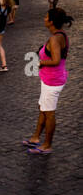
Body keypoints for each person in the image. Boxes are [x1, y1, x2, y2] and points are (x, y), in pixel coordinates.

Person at [24, 9, 72, 156]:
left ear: (51, 22)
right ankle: (36, 137)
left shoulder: (55, 39)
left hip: (53, 81)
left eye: (46, 17)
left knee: (49, 113)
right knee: (43, 108)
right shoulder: (60, 35)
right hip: (50, 79)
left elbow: (56, 60)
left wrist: (40, 62)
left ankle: (47, 145)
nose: (44, 19)